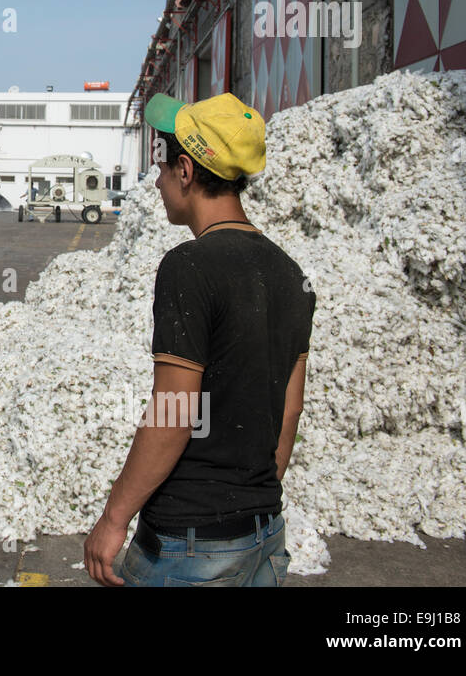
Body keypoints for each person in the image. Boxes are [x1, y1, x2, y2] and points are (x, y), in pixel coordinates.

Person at [84, 92, 314, 587]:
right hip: (264, 536)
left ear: (185, 171)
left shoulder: (188, 267)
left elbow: (174, 411)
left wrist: (113, 519)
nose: (159, 181)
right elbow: (290, 410)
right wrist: (250, 501)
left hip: (190, 547)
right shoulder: (291, 274)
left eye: (163, 169)